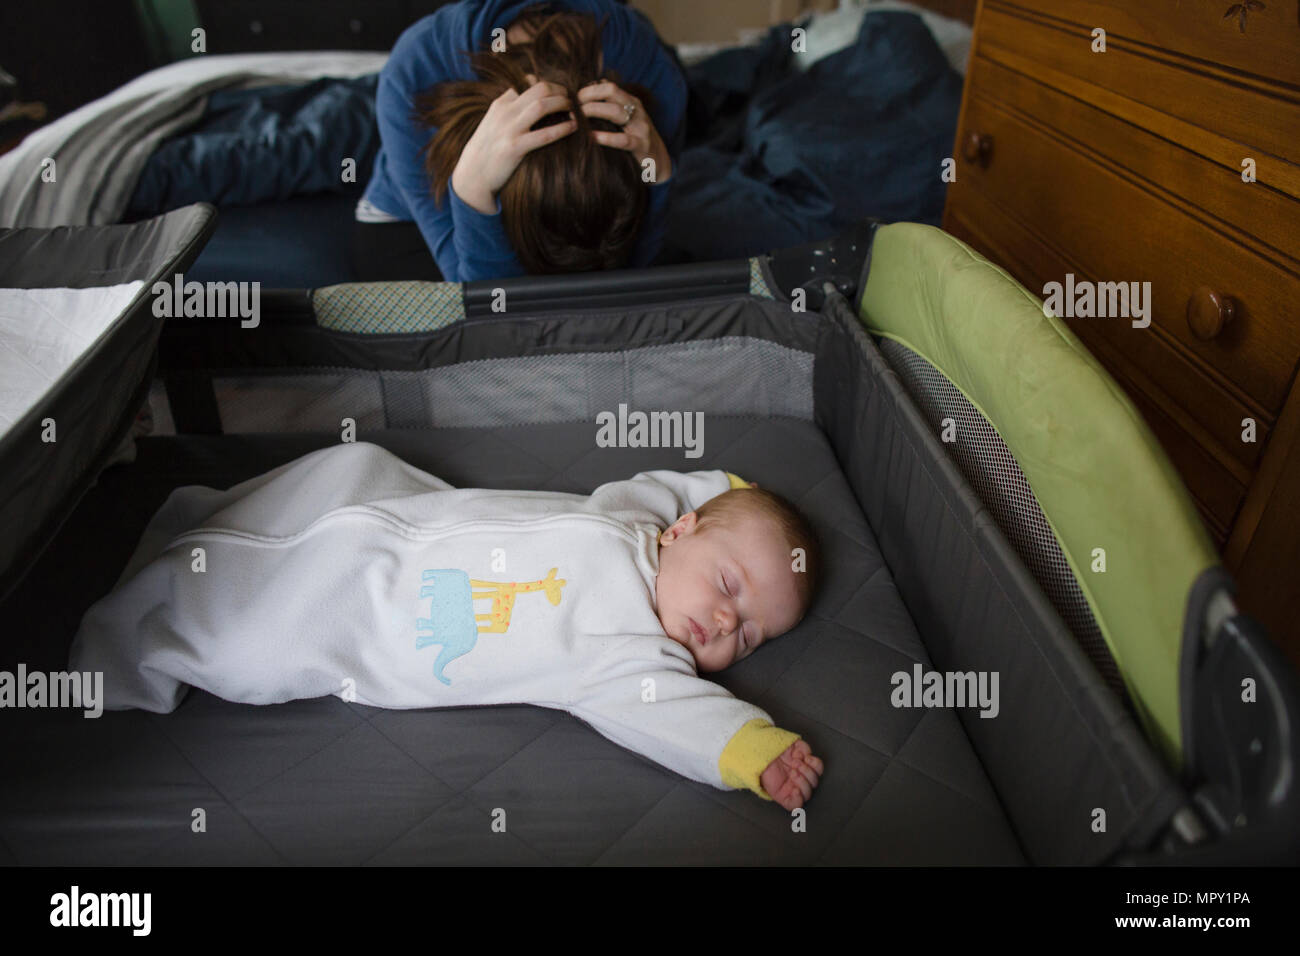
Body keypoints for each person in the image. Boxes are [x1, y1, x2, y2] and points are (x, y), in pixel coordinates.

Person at [68, 443, 825, 809]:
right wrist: (738, 491)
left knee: (250, 646)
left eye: (748, 635)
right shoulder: (638, 515)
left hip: (377, 621)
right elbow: (680, 488)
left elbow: (675, 720)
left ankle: (115, 657)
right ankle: (195, 527)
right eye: (730, 586)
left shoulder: (630, 660)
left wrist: (749, 750)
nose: (725, 621)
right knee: (348, 463)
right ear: (682, 532)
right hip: (396, 512)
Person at [351, 0, 687, 283]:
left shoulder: (652, 74)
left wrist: (657, 175)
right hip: (414, 220)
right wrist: (471, 189)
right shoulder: (415, 72)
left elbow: (634, 274)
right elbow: (491, 306)